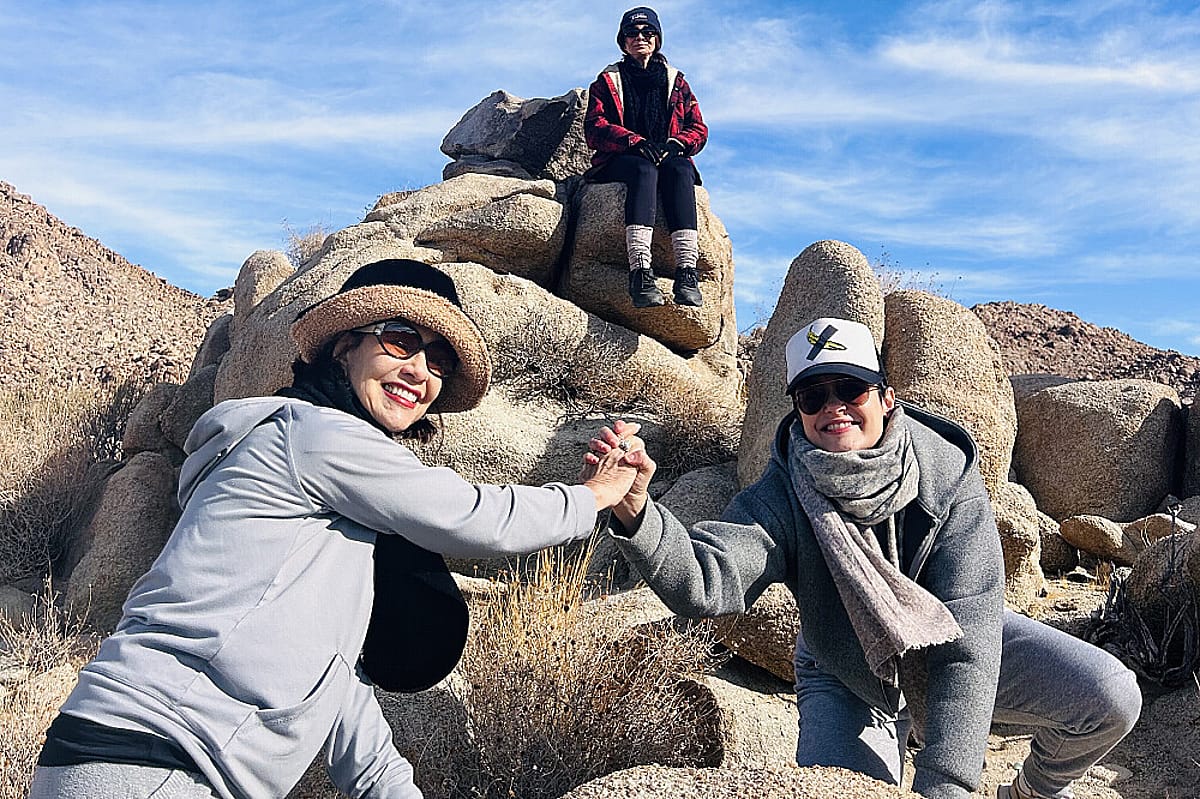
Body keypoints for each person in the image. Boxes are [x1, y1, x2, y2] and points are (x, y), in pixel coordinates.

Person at [30, 258, 647, 799]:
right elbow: (475, 517)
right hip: (158, 758)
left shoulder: (322, 504)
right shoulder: (311, 434)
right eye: (401, 340)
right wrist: (595, 495)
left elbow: (332, 685)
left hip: (137, 757)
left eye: (438, 359)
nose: (421, 371)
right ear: (344, 345)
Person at [588, 317, 1142, 799]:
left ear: (886, 397)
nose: (833, 407)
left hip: (950, 638)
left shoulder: (947, 475)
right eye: (813, 397)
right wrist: (637, 512)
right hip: (845, 668)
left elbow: (970, 643)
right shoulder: (782, 494)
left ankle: (1029, 792)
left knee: (1110, 697)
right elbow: (709, 580)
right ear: (798, 412)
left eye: (850, 389)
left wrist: (944, 784)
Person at [584, 6, 708, 309]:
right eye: (632, 32)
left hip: (666, 154)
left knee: (681, 170)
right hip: (622, 159)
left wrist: (677, 144)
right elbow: (595, 127)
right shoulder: (607, 81)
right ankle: (640, 272)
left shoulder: (676, 82)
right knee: (644, 171)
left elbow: (698, 128)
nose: (640, 37)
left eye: (647, 32)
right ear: (623, 41)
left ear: (657, 39)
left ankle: (686, 272)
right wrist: (633, 142)